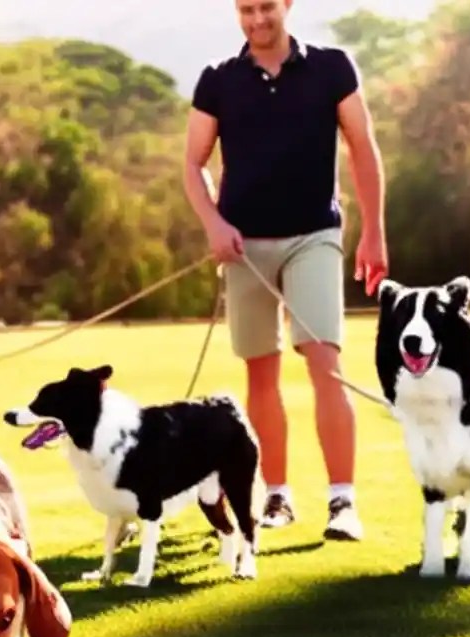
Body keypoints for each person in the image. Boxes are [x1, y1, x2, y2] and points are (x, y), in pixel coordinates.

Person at [182, 0, 388, 541]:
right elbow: (192, 162)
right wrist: (213, 223)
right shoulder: (218, 81)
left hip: (313, 236)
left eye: (266, 7)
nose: (257, 20)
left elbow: (363, 148)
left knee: (326, 361)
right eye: (246, 10)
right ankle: (275, 495)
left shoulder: (331, 68)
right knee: (260, 373)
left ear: (287, 5)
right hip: (243, 247)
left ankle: (343, 502)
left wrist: (374, 232)